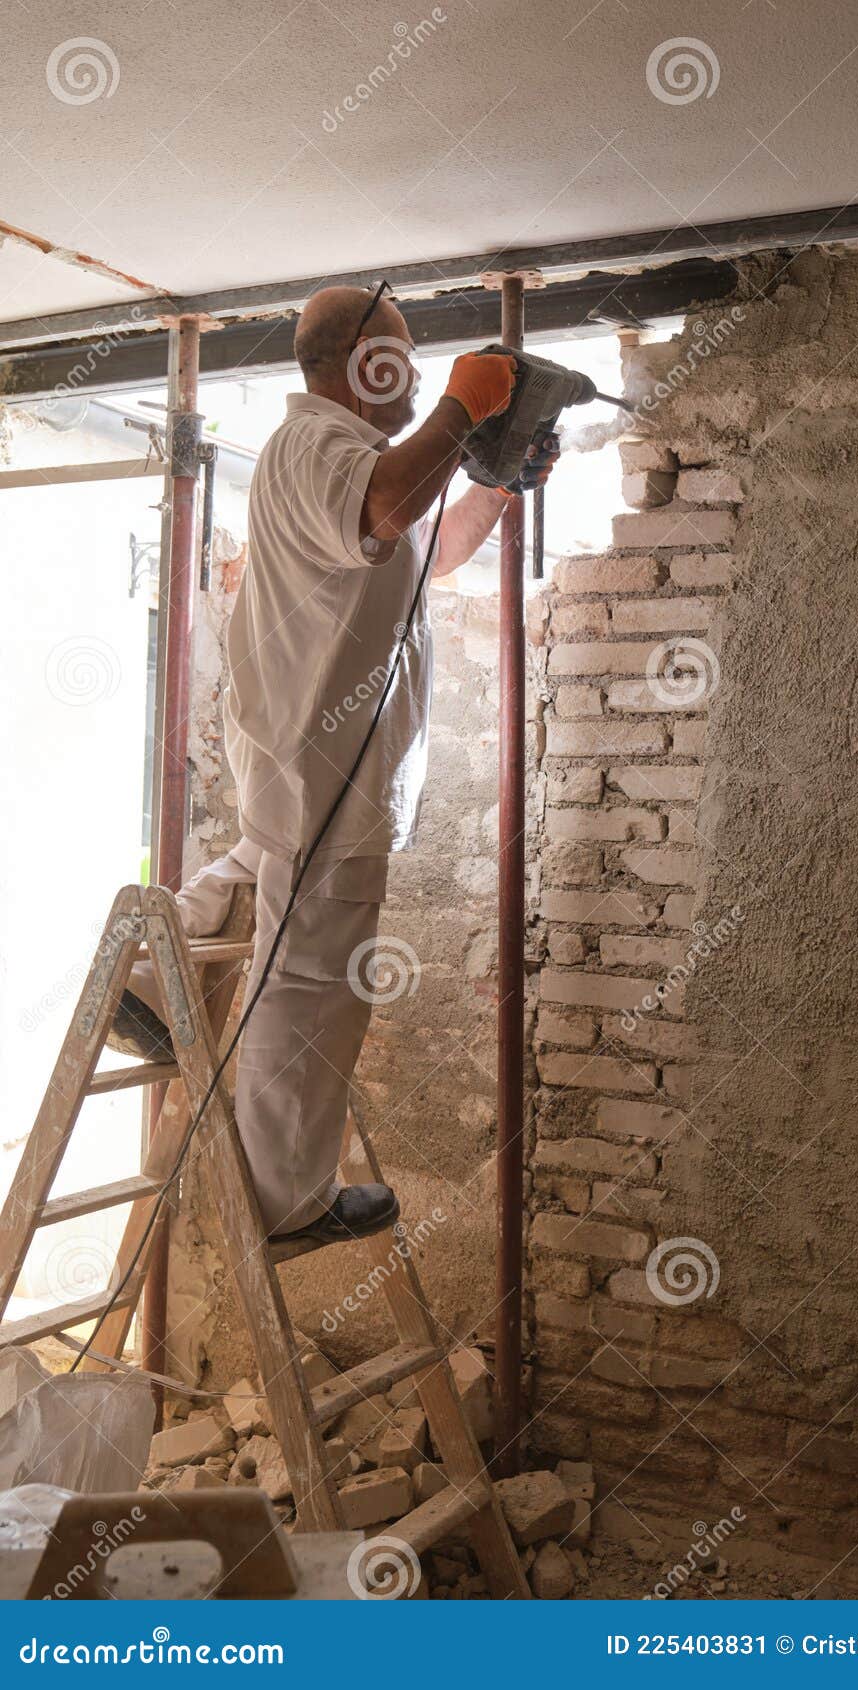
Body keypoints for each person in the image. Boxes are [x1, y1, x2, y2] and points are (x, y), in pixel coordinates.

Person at [112, 284, 556, 1245]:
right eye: (398, 357)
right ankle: (283, 1204)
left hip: (308, 758)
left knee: (270, 872)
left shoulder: (342, 462)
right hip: (323, 758)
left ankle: (149, 974)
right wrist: (463, 408)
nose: (413, 379)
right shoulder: (319, 446)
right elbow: (386, 508)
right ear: (358, 362)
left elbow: (418, 546)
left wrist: (493, 481)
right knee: (311, 978)